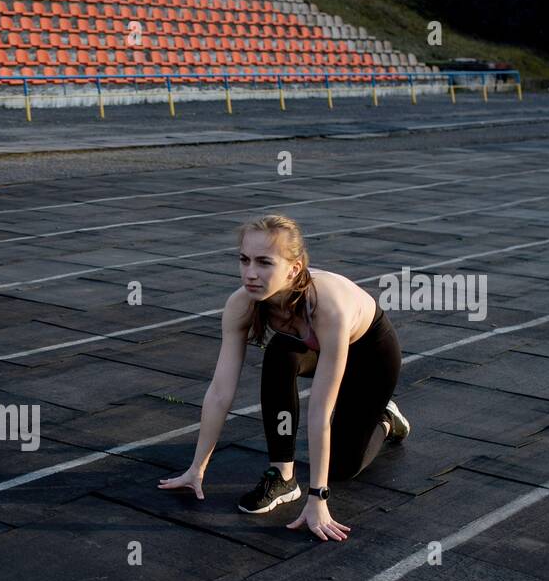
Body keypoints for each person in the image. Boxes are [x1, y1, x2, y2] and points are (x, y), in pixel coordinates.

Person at [157, 214, 409, 543]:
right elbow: (220, 391)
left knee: (342, 469)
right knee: (279, 352)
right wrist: (197, 468)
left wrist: (318, 498)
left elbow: (319, 412)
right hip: (312, 347)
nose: (250, 274)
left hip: (370, 356)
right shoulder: (242, 304)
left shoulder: (326, 307)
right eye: (244, 260)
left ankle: (386, 417)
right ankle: (283, 474)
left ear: (293, 269)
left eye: (264, 263)